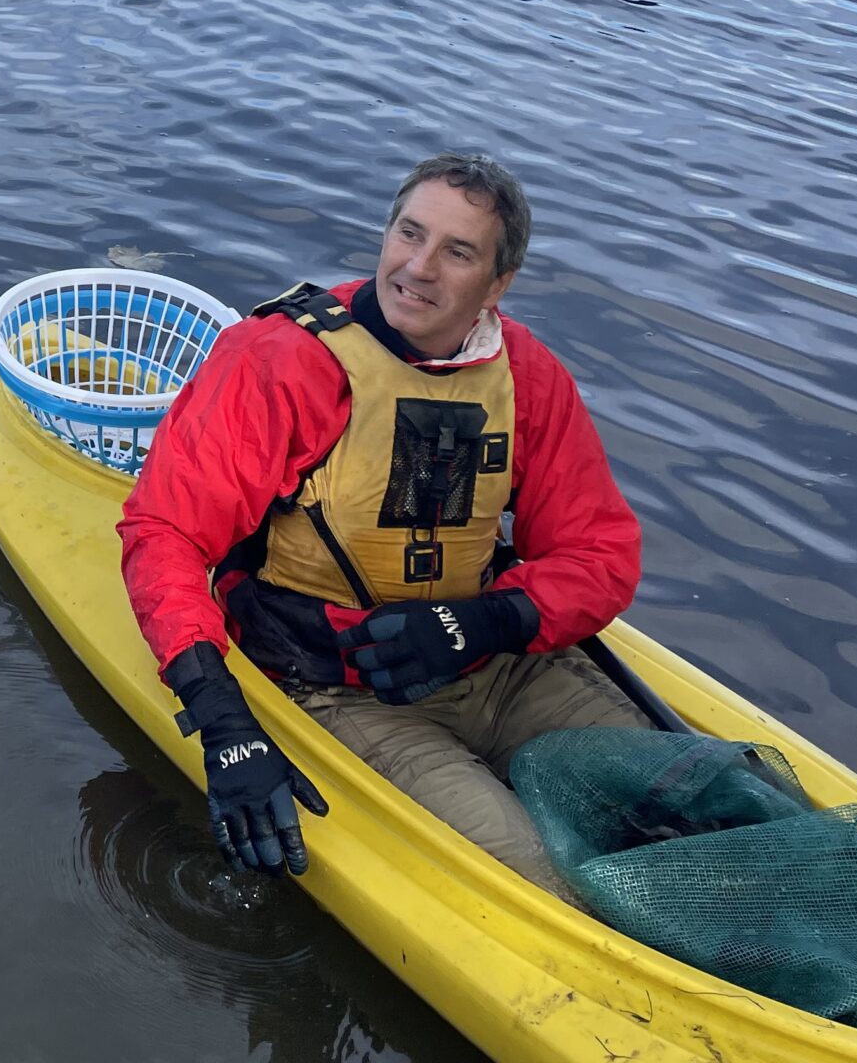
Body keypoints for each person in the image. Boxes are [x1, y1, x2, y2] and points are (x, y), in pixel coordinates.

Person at [119, 153, 647, 889]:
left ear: (498, 286)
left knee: (694, 802)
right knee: (540, 880)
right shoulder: (277, 361)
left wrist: (488, 623)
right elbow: (165, 536)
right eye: (409, 234)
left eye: (457, 252)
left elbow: (601, 554)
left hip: (499, 668)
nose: (418, 268)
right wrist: (224, 720)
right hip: (338, 686)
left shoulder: (529, 377)